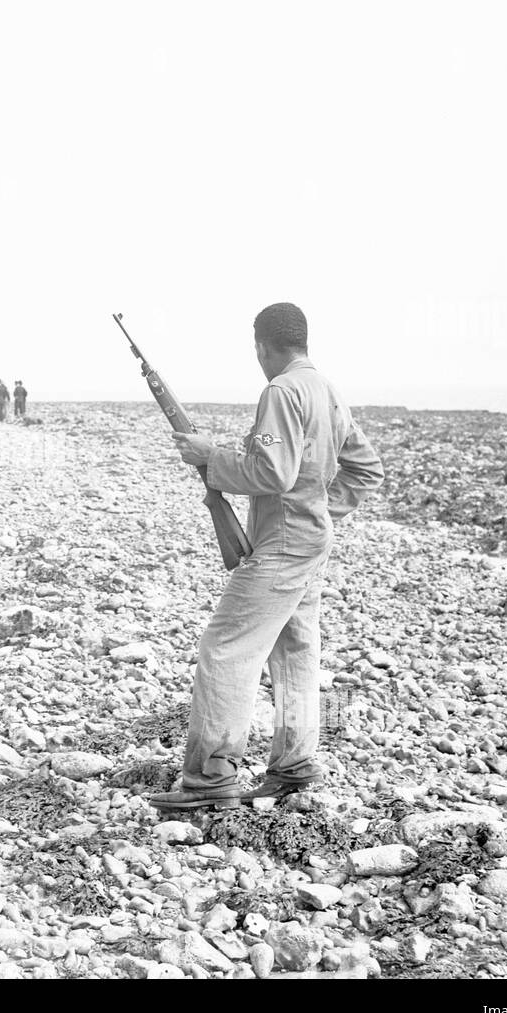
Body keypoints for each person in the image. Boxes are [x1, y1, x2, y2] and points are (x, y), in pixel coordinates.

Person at [148, 303, 383, 811]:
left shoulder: (281, 390)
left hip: (280, 548)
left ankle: (212, 777)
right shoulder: (325, 388)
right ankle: (294, 765)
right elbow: (366, 469)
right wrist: (318, 506)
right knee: (296, 654)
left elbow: (273, 473)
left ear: (261, 346)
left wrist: (212, 457)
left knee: (225, 650)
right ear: (303, 340)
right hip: (310, 542)